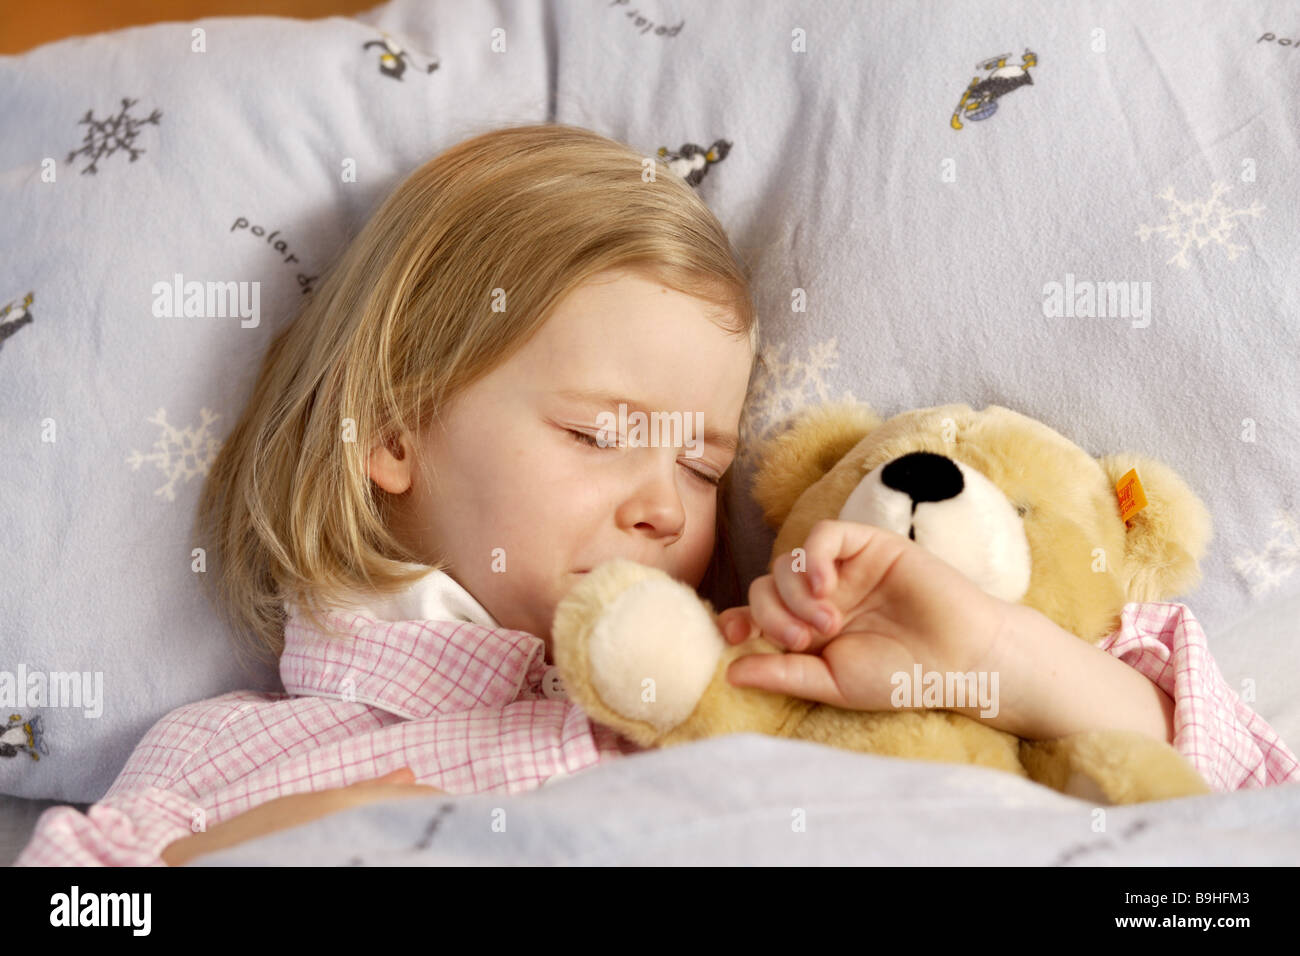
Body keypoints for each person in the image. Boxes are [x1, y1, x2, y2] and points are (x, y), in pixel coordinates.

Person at [15, 123, 1297, 868]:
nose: (666, 507)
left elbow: (1231, 814)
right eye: (602, 434)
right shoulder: (232, 750)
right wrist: (341, 822)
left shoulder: (768, 667)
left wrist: (995, 660)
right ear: (392, 427)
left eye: (697, 461)